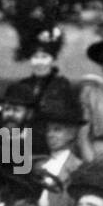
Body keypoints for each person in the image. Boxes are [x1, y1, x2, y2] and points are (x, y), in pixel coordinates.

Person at [14, 22, 75, 158]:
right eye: (35, 57)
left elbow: (67, 120)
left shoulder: (62, 86)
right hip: (24, 147)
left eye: (44, 57)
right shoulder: (23, 85)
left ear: (53, 60)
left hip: (51, 145)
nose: (39, 62)